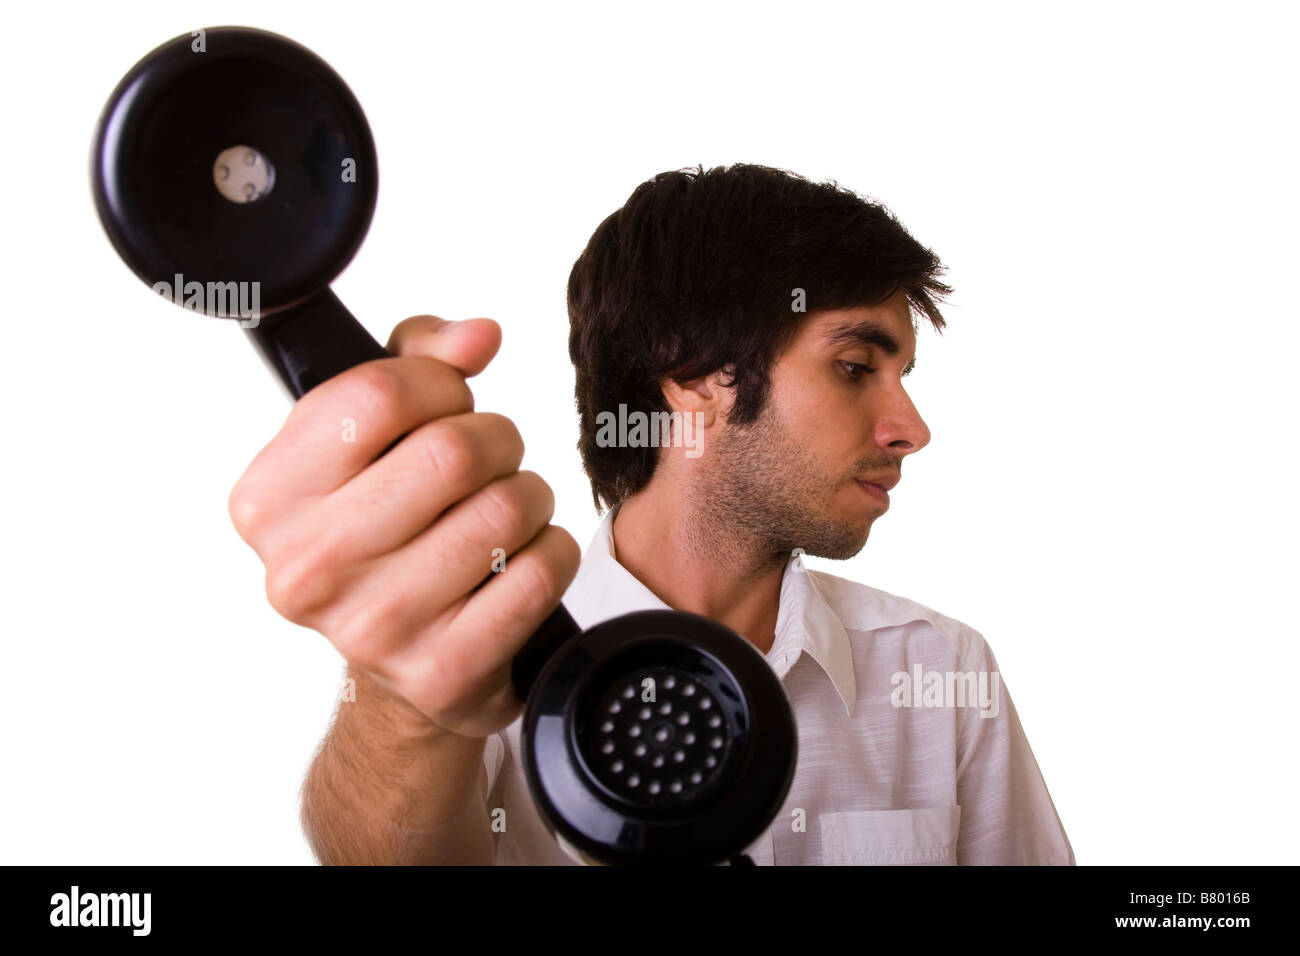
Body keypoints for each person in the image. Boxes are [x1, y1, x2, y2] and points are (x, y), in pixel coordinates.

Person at [228, 162, 1074, 865]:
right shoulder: (481, 664)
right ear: (695, 373)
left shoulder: (945, 671)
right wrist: (405, 699)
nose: (912, 430)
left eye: (905, 379)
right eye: (856, 367)